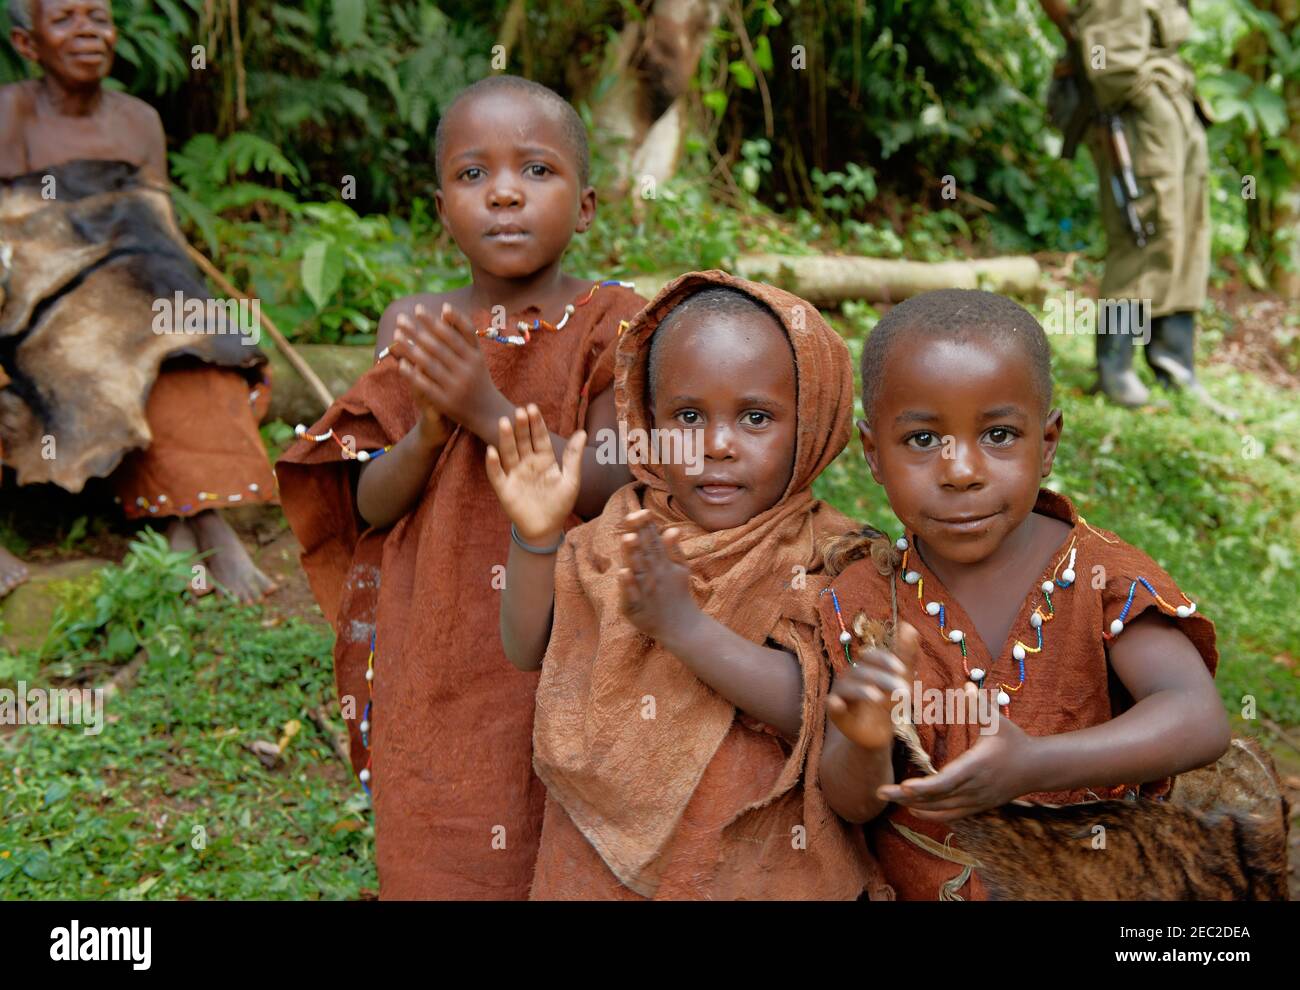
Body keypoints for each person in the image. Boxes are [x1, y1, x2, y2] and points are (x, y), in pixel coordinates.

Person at [276, 76, 645, 899]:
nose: (505, 193)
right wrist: (428, 434)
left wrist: (483, 406)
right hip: (434, 620)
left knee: (553, 799)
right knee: (439, 799)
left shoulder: (611, 321)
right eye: (473, 175)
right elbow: (369, 504)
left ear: (585, 207)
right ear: (442, 209)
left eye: (536, 172)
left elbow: (611, 478)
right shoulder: (414, 323)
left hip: (560, 620)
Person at [817, 289, 1228, 900]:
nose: (962, 471)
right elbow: (851, 806)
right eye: (923, 440)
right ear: (874, 454)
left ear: (1050, 441)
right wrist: (864, 740)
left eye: (1001, 434)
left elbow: (1197, 719)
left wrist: (1034, 764)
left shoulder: (1099, 578)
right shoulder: (865, 599)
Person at [489, 272, 888, 899]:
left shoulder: (835, 557)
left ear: (811, 425)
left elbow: (816, 709)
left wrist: (683, 627)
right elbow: (526, 648)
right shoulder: (619, 532)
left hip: (755, 866)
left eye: (756, 417)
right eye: (687, 416)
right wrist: (537, 537)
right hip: (598, 864)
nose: (718, 446)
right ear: (647, 420)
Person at [0, 0, 278, 600]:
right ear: (28, 45)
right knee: (106, 343)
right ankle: (186, 519)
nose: (88, 33)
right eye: (66, 19)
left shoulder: (139, 121)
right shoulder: (8, 114)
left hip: (138, 276)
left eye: (97, 18)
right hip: (45, 291)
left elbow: (158, 226)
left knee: (203, 336)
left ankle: (197, 515)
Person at [1042, 0, 1214, 408]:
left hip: (1173, 106)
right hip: (1140, 116)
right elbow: (1112, 67)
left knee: (1186, 233)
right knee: (1143, 235)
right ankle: (1115, 368)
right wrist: (1150, 100)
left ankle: (1174, 362)